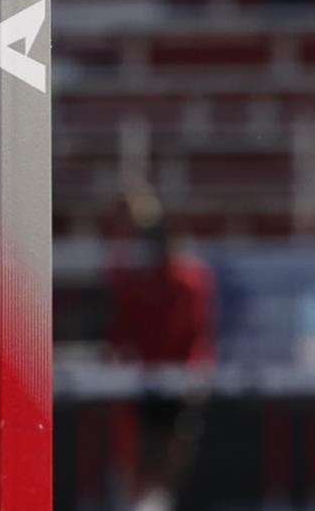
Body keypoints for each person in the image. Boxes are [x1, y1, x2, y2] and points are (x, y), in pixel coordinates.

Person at [106, 192, 214, 511]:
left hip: (180, 378)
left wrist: (194, 373)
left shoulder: (192, 282)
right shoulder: (141, 282)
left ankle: (158, 498)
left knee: (177, 440)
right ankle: (142, 496)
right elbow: (124, 323)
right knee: (145, 441)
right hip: (146, 378)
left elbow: (198, 330)